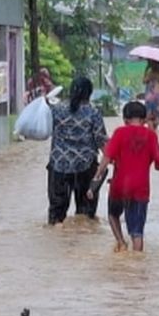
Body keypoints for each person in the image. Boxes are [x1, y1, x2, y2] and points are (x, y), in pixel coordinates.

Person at [88, 100, 159, 252]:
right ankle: (137, 265)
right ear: (144, 119)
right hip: (141, 189)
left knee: (113, 214)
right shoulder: (151, 136)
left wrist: (97, 176)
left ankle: (121, 242)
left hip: (119, 186)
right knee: (137, 232)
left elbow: (107, 157)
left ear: (125, 119)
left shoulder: (119, 133)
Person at [47, 76, 107, 224]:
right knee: (86, 215)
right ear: (89, 93)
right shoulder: (94, 113)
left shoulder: (56, 110)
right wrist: (112, 160)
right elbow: (101, 140)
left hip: (58, 166)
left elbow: (44, 129)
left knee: (56, 215)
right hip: (86, 167)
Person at [143, 60, 159, 130]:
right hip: (158, 99)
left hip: (150, 98)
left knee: (149, 119)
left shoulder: (151, 73)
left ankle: (151, 135)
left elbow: (144, 81)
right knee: (155, 119)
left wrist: (146, 70)